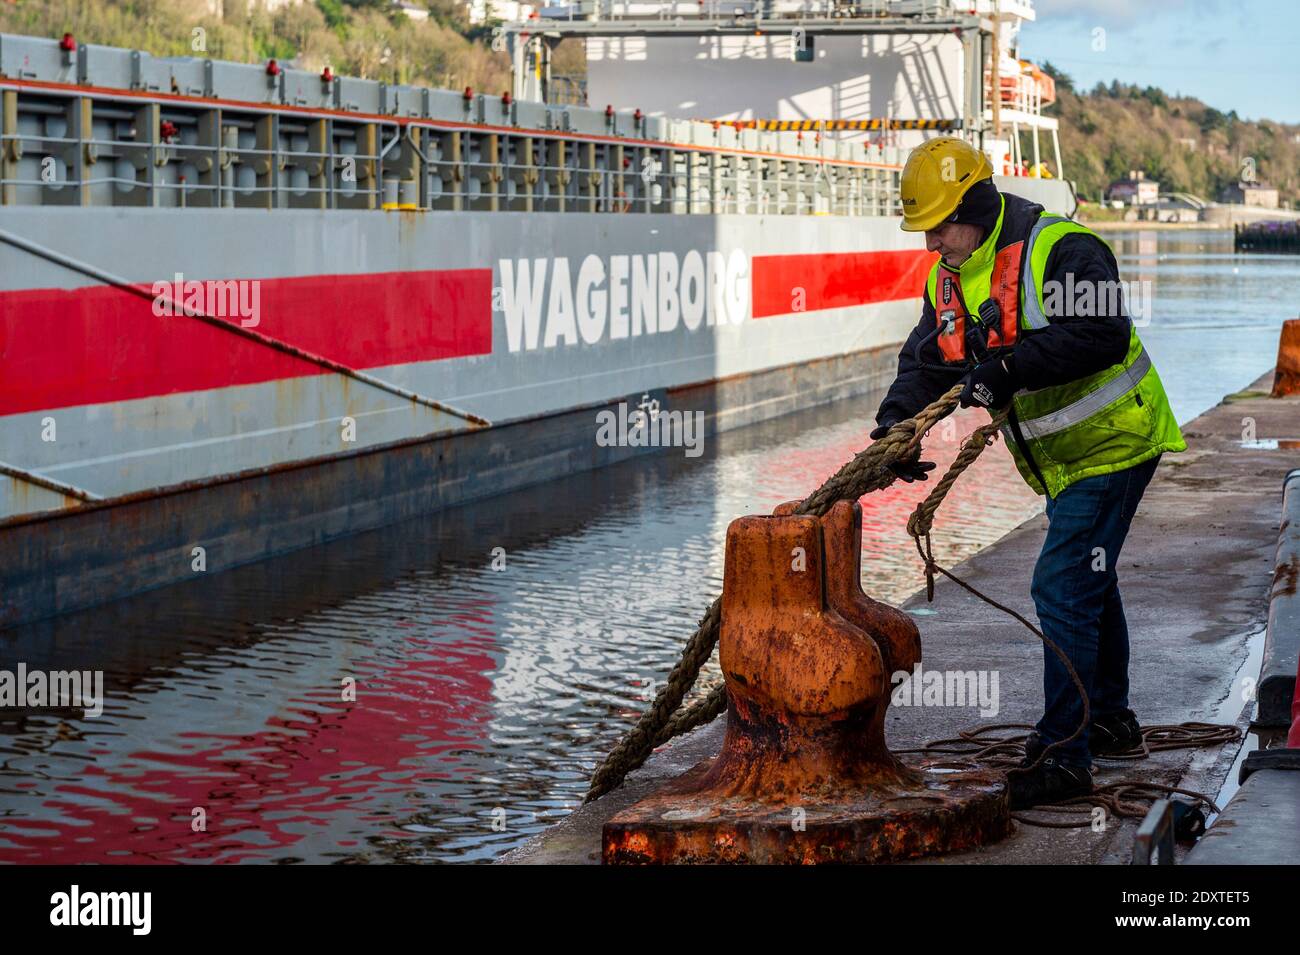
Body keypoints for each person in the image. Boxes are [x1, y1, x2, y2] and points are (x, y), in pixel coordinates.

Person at [871, 137, 1187, 809]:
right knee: (1089, 581)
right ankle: (1107, 719)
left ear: (975, 205)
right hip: (1067, 457)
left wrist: (1007, 371)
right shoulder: (949, 275)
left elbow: (1099, 333)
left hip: (1117, 440)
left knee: (1062, 583)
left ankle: (1064, 753)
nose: (931, 241)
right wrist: (895, 428)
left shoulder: (1063, 249)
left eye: (939, 224)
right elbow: (925, 360)